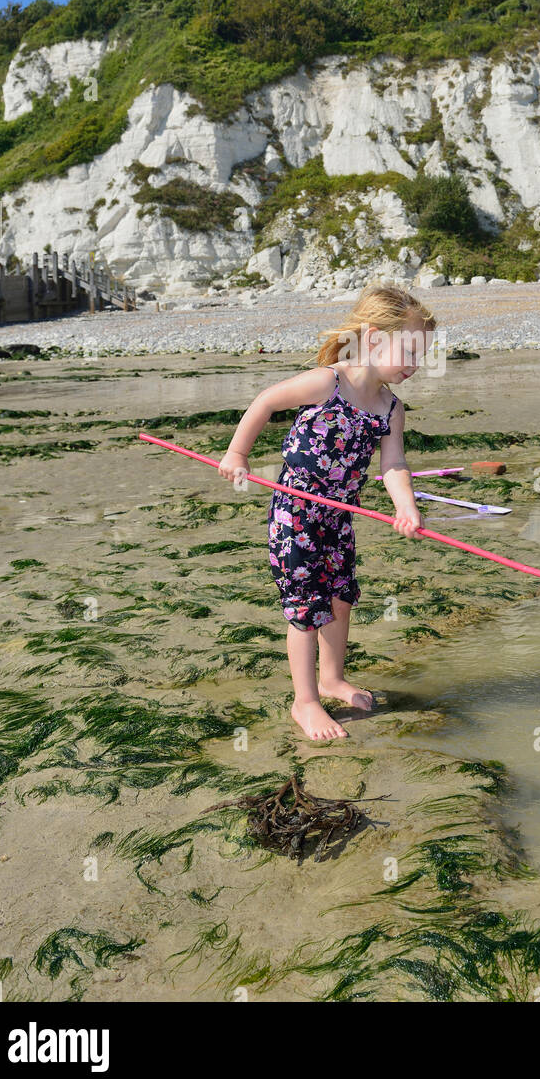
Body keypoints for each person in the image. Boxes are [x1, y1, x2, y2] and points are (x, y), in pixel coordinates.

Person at [218, 284, 436, 741]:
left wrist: (406, 508)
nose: (416, 364)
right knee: (305, 607)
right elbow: (265, 401)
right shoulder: (327, 382)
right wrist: (238, 454)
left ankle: (332, 679)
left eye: (423, 355)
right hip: (294, 514)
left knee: (340, 596)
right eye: (410, 351)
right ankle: (305, 701)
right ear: (374, 338)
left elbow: (393, 465)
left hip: (338, 518)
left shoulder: (390, 409)